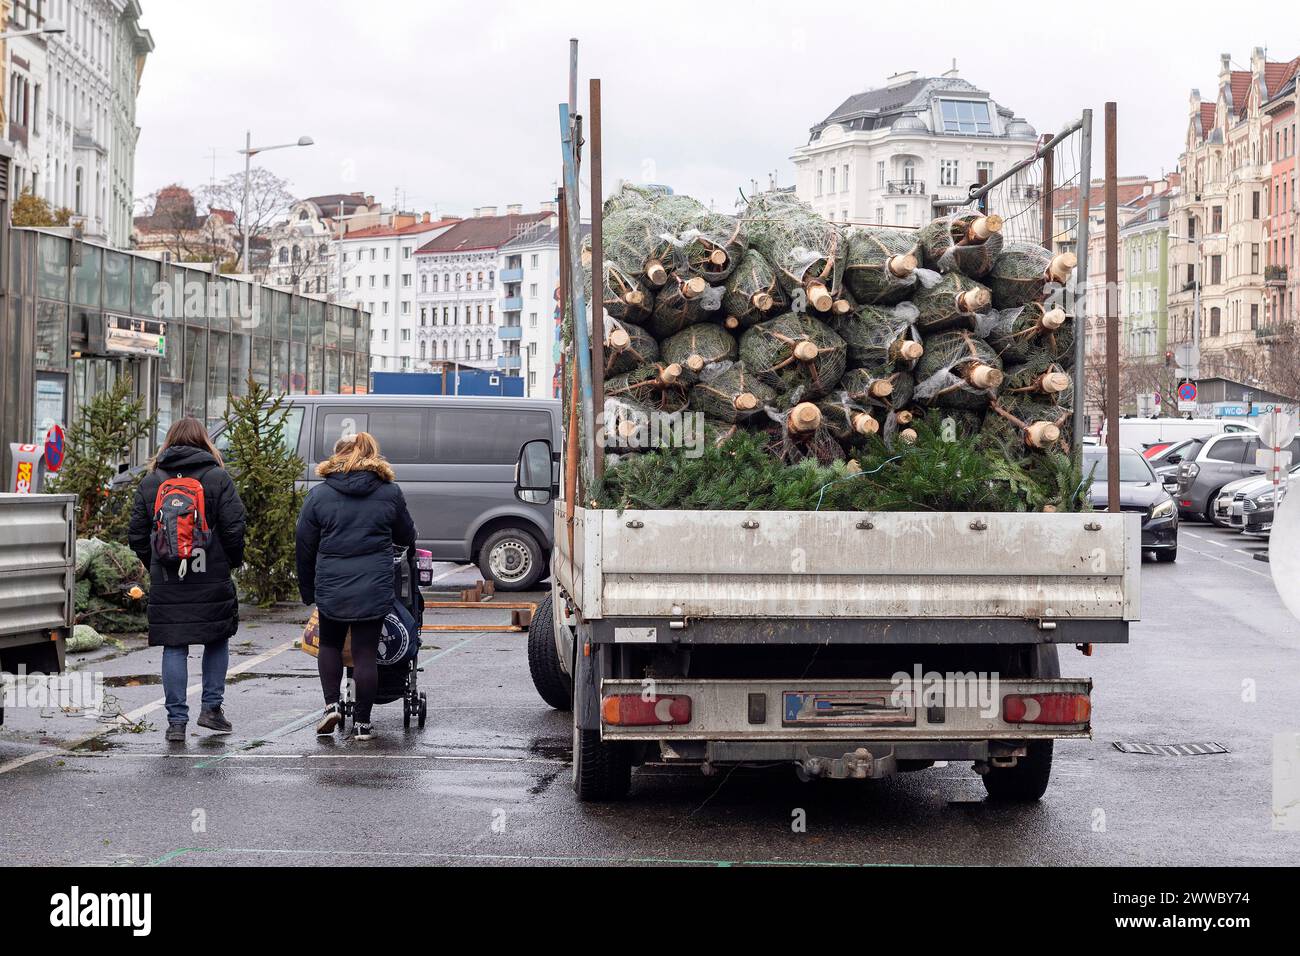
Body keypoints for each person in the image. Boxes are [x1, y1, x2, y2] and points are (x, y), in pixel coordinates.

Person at [128, 417, 246, 743]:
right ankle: (211, 710)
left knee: (174, 646)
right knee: (217, 638)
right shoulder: (217, 477)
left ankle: (176, 722)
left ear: (169, 443)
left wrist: (156, 562)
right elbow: (235, 527)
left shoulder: (152, 481)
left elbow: (137, 533)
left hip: (167, 576)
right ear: (204, 441)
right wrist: (229, 562)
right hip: (211, 571)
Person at [296, 432, 416, 740]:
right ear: (372, 455)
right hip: (373, 585)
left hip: (332, 584)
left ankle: (332, 706)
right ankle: (362, 723)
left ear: (336, 456)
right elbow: (407, 535)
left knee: (331, 645)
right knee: (364, 652)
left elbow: (304, 545)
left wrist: (308, 589)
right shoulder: (389, 492)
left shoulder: (319, 495)